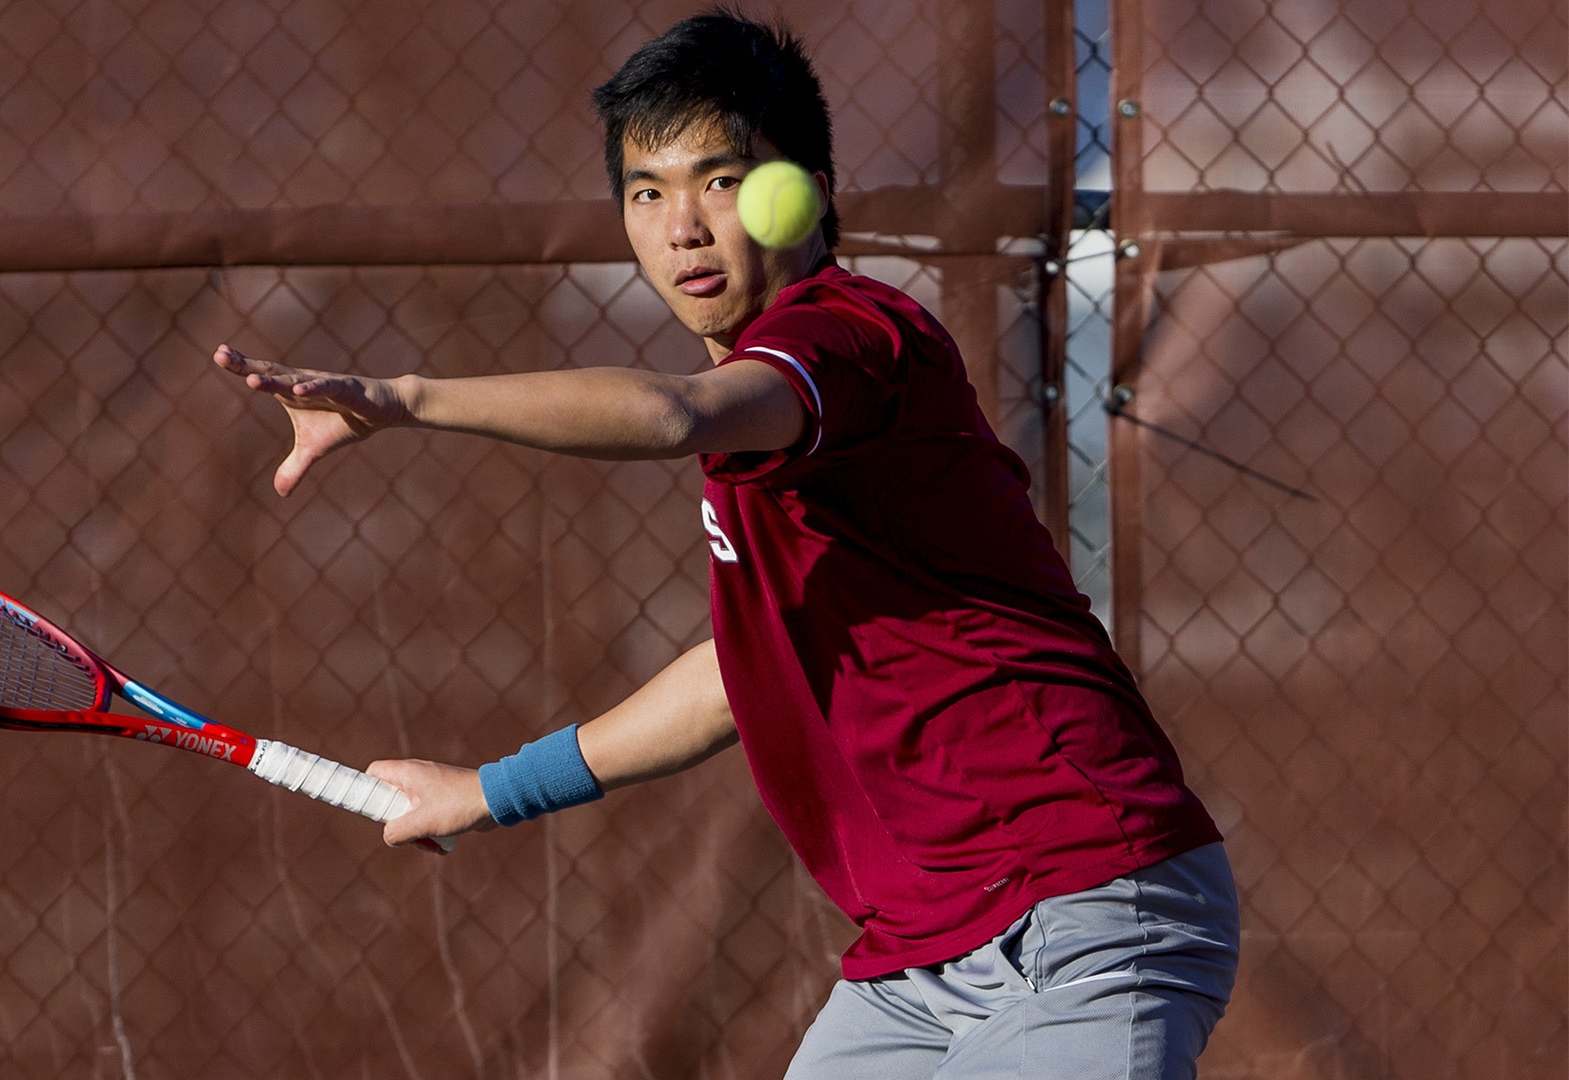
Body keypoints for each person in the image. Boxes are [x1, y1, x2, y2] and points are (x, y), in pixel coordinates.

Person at [212, 10, 1237, 1078]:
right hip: (918, 957)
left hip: (1078, 907)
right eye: (647, 193)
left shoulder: (850, 337)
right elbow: (733, 678)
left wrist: (404, 396)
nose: (683, 227)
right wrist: (487, 790)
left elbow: (672, 416)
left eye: (722, 180)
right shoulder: (769, 437)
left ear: (813, 191)